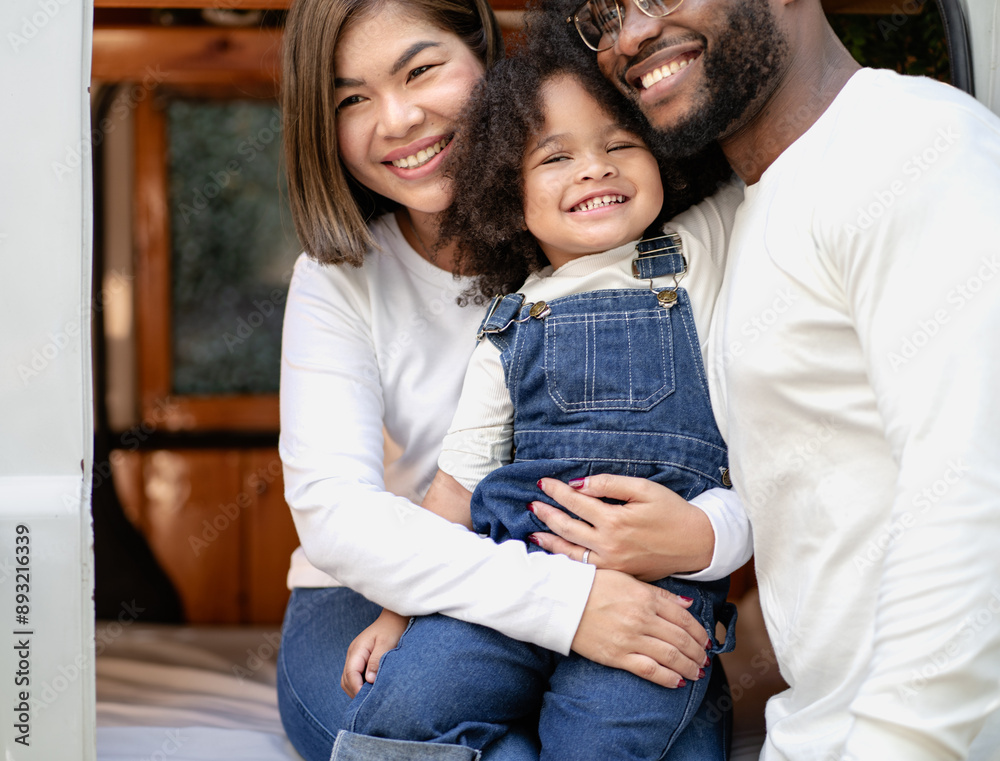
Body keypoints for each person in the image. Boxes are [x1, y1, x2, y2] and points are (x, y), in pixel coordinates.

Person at [275, 1, 752, 759]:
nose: (396, 118)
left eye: (421, 69)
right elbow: (338, 515)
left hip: (632, 575)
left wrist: (705, 536)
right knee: (416, 725)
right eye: (351, 99)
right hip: (394, 587)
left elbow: (774, 449)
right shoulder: (338, 278)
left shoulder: (660, 240)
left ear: (487, 56)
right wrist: (569, 604)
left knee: (634, 732)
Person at [530, 1, 1000, 759]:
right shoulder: (743, 218)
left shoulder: (916, 145)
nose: (631, 35)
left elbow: (975, 491)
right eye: (603, 13)